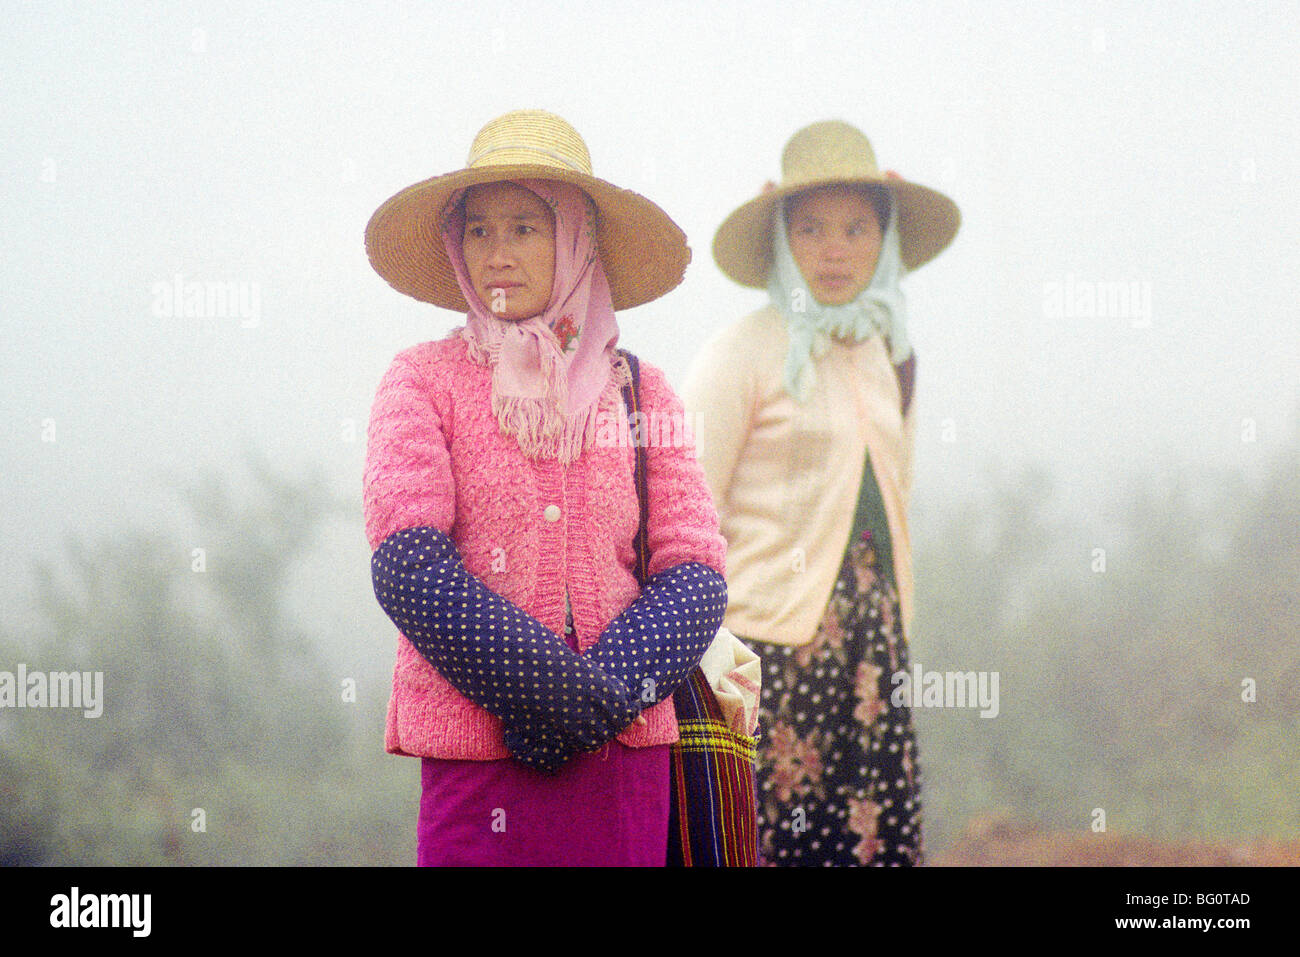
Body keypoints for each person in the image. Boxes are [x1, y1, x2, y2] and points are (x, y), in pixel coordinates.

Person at [362, 110, 727, 866]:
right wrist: (544, 689)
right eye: (480, 230)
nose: (499, 253)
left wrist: (597, 697)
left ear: (575, 239)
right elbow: (409, 563)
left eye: (526, 228)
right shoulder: (421, 381)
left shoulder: (642, 392)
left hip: (620, 760)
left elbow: (693, 572)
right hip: (480, 765)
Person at [682, 120, 960, 866]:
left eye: (856, 228)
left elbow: (893, 496)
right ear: (780, 238)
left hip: (874, 657)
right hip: (765, 656)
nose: (835, 249)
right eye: (810, 228)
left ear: (885, 239)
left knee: (874, 846)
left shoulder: (888, 354)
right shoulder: (739, 353)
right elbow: (683, 514)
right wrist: (704, 658)